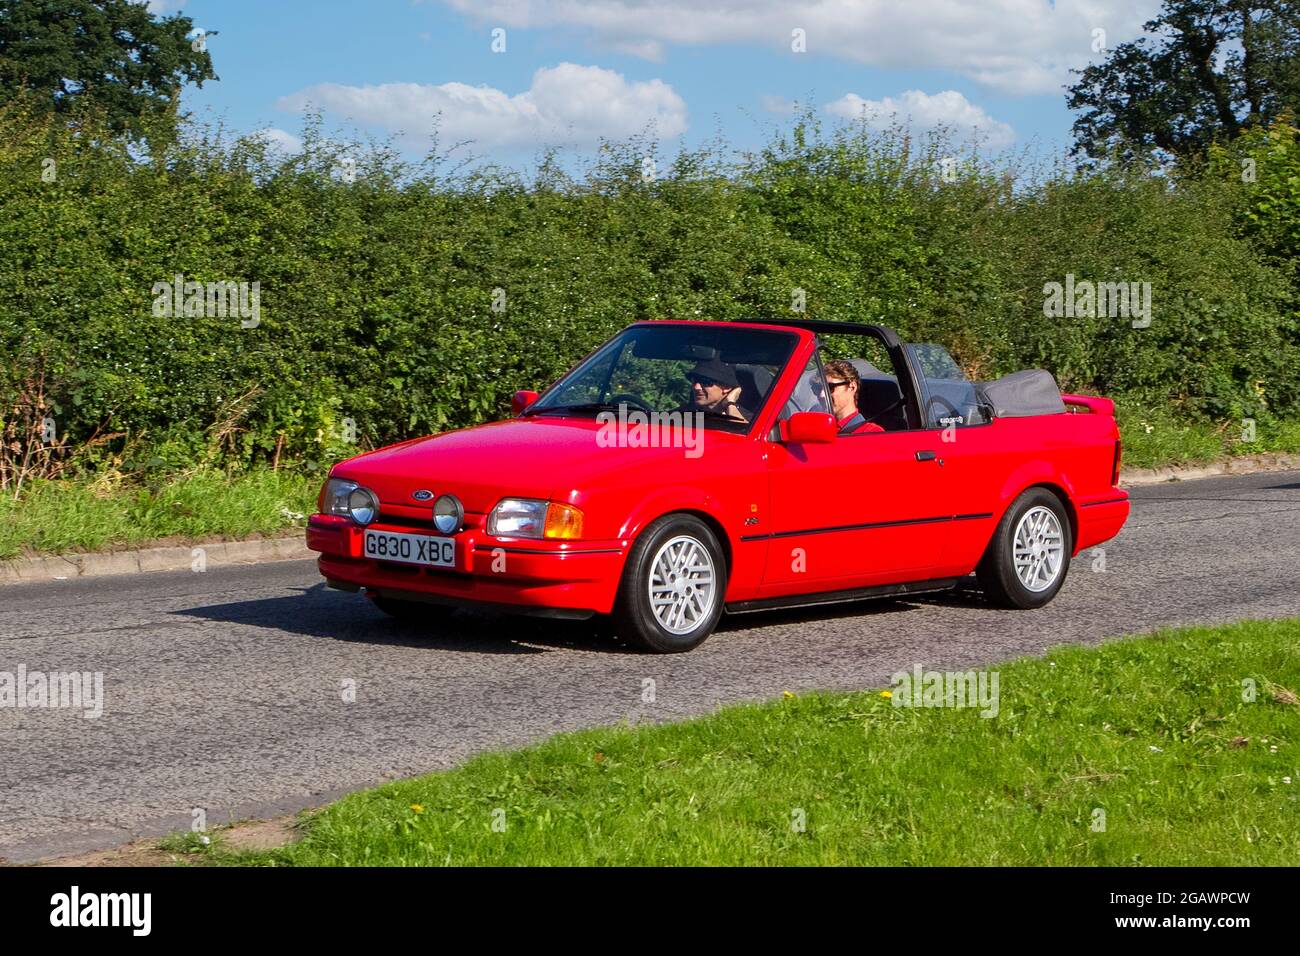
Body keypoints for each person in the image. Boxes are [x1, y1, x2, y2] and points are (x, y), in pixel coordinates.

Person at [823, 359, 884, 435]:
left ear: (852, 387)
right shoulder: (819, 430)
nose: (822, 394)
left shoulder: (871, 433)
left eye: (830, 387)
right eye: (817, 388)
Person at [685, 357, 748, 422]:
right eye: (694, 381)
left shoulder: (752, 420)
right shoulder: (684, 416)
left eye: (705, 382)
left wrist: (730, 404)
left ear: (726, 387)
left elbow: (743, 429)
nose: (696, 387)